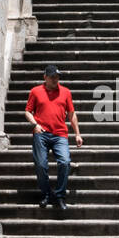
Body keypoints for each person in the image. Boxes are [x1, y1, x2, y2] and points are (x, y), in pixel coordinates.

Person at [25, 64, 83, 211]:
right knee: (41, 165)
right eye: (52, 77)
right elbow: (28, 111)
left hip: (60, 134)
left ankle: (60, 195)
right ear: (45, 77)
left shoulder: (65, 92)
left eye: (57, 77)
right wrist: (35, 125)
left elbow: (71, 113)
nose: (55, 80)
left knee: (64, 162)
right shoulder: (35, 91)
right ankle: (46, 194)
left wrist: (77, 134)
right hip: (41, 133)